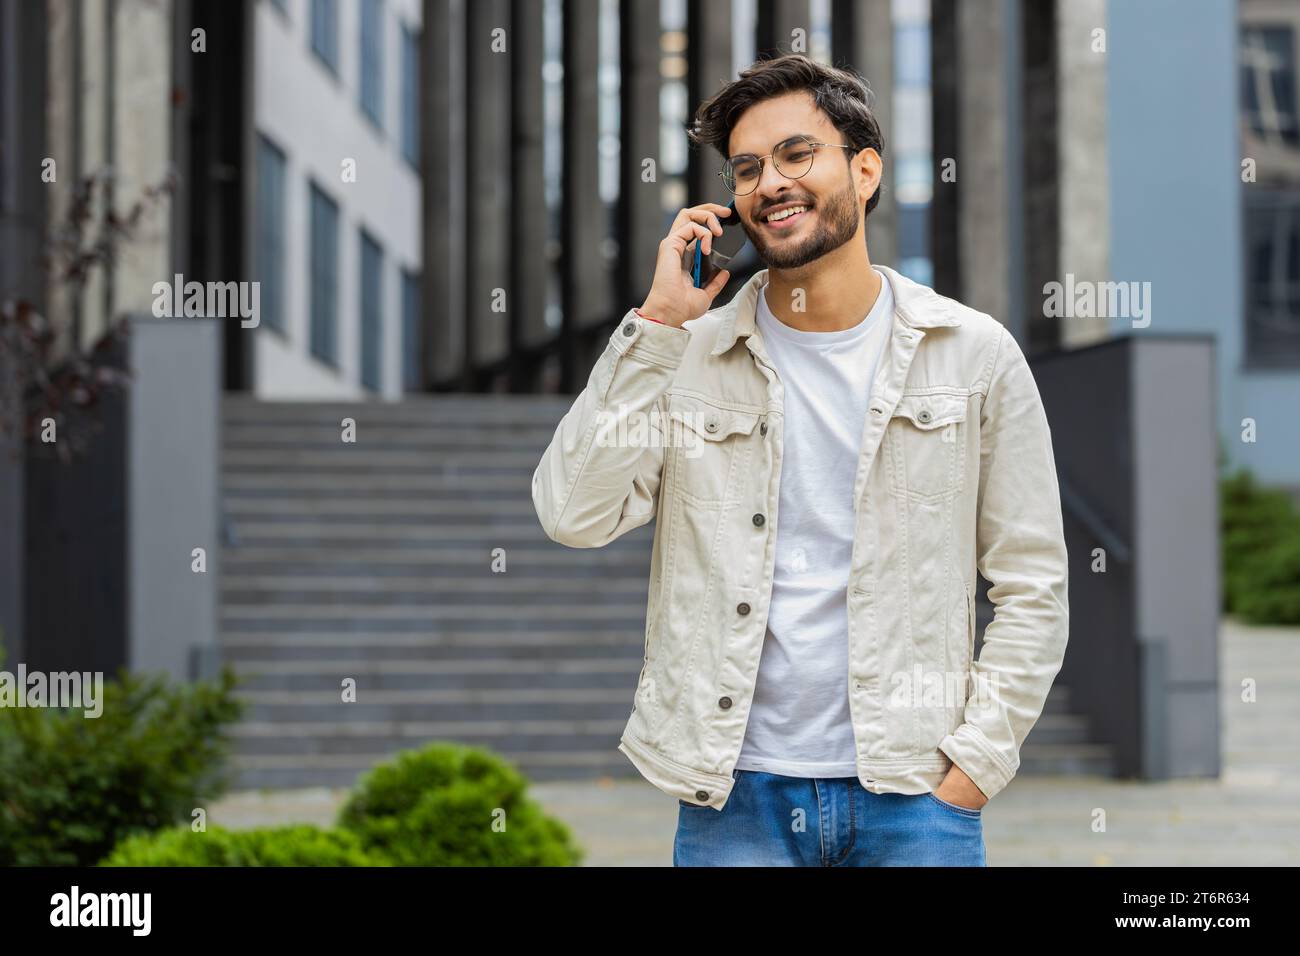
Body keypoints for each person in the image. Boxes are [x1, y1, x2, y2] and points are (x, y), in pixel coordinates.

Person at [531, 53, 1069, 866]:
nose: (768, 182)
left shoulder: (974, 354)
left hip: (915, 797)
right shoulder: (688, 355)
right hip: (736, 799)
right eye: (746, 168)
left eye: (795, 154)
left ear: (865, 169)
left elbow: (1033, 582)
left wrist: (975, 767)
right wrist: (658, 324)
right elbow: (573, 514)